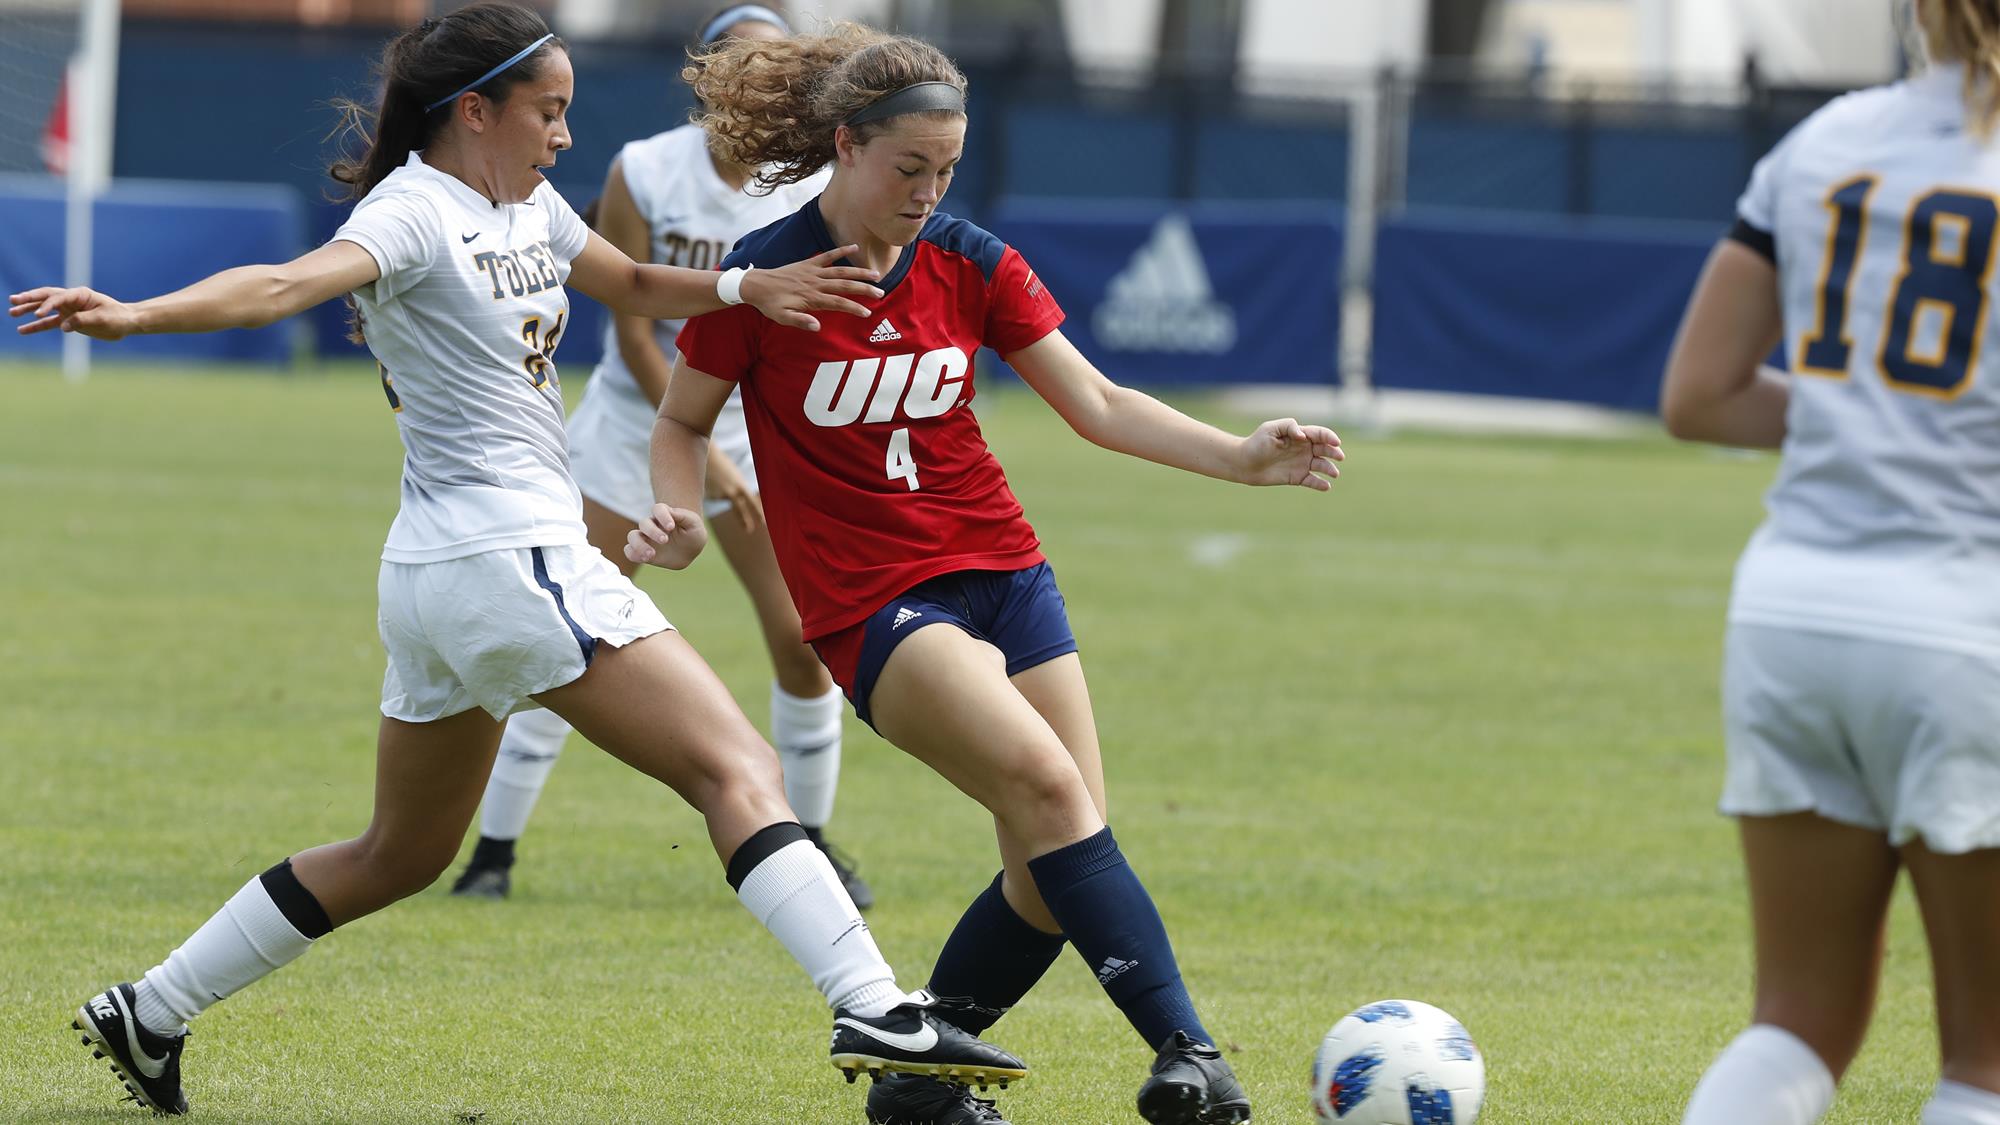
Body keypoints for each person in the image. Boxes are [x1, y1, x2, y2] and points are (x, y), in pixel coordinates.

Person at [11, 4, 1024, 1115]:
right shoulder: (413, 214)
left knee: (399, 854)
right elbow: (284, 282)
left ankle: (147, 1010)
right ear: (474, 110)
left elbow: (633, 287)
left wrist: (746, 288)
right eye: (548, 111)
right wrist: (137, 316)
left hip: (442, 574)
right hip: (507, 553)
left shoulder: (526, 204)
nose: (564, 135)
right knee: (734, 771)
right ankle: (874, 1003)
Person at [625, 24, 1342, 1125]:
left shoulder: (970, 260)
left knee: (1051, 872)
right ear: (845, 145)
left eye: (946, 170)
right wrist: (679, 508)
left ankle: (914, 1080)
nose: (928, 191)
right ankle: (1190, 1057)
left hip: (1006, 570)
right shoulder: (766, 279)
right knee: (1053, 799)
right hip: (872, 605)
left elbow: (1095, 403)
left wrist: (1240, 459)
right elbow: (678, 422)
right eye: (908, 168)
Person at [451, 2, 874, 910]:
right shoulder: (644, 168)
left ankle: (814, 840)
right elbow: (637, 328)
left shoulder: (809, 187)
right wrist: (701, 455)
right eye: (741, 65)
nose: (762, 83)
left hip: (759, 431)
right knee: (561, 637)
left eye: (780, 68)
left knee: (807, 643)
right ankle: (493, 850)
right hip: (633, 428)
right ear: (708, 77)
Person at [1663, 3, 2000, 1122]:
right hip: (1967, 628)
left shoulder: (1820, 143)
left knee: (1794, 1024)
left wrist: (1864, 423)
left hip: (1792, 614)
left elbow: (1698, 395)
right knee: (1984, 1065)